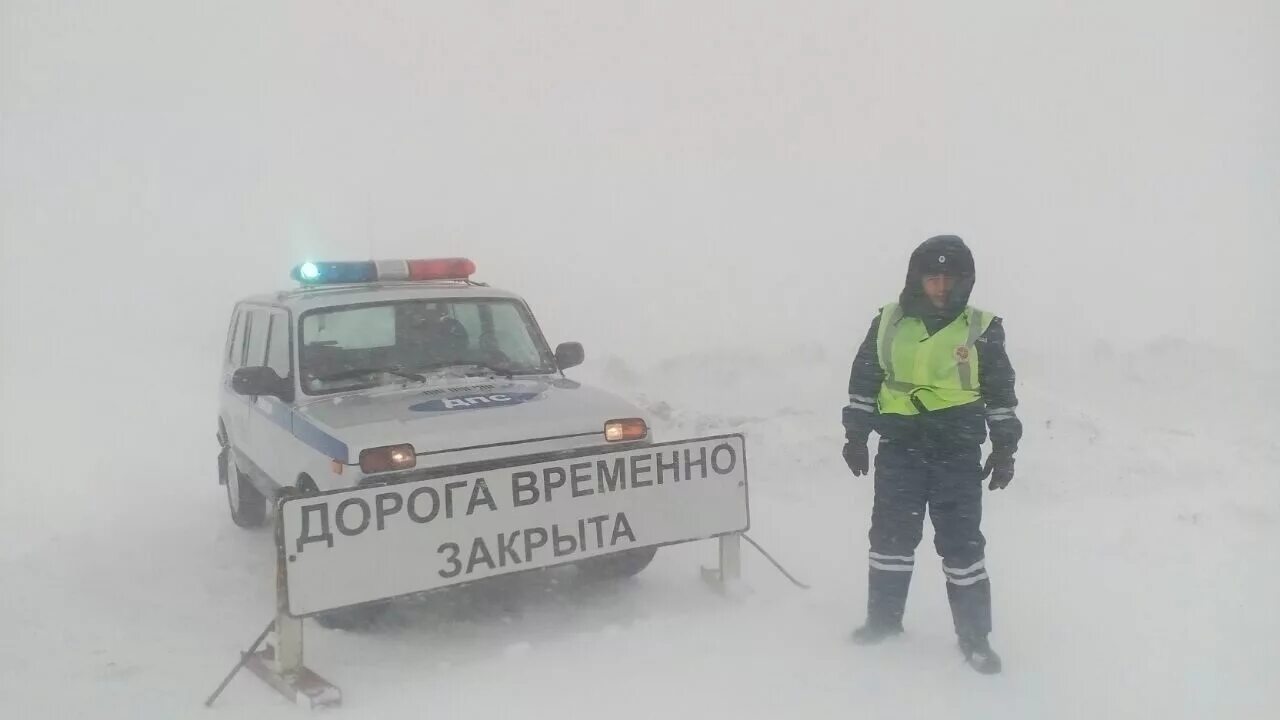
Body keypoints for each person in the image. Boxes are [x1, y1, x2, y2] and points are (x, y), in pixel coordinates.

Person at [842, 235, 1022, 674]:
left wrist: (1004, 448)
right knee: (889, 542)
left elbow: (1000, 395)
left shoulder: (982, 327)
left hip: (956, 453)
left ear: (966, 281)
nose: (940, 286)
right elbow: (866, 377)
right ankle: (883, 622)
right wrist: (855, 434)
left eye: (950, 278)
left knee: (962, 547)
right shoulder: (888, 321)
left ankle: (975, 638)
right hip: (900, 449)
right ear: (917, 278)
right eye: (932, 276)